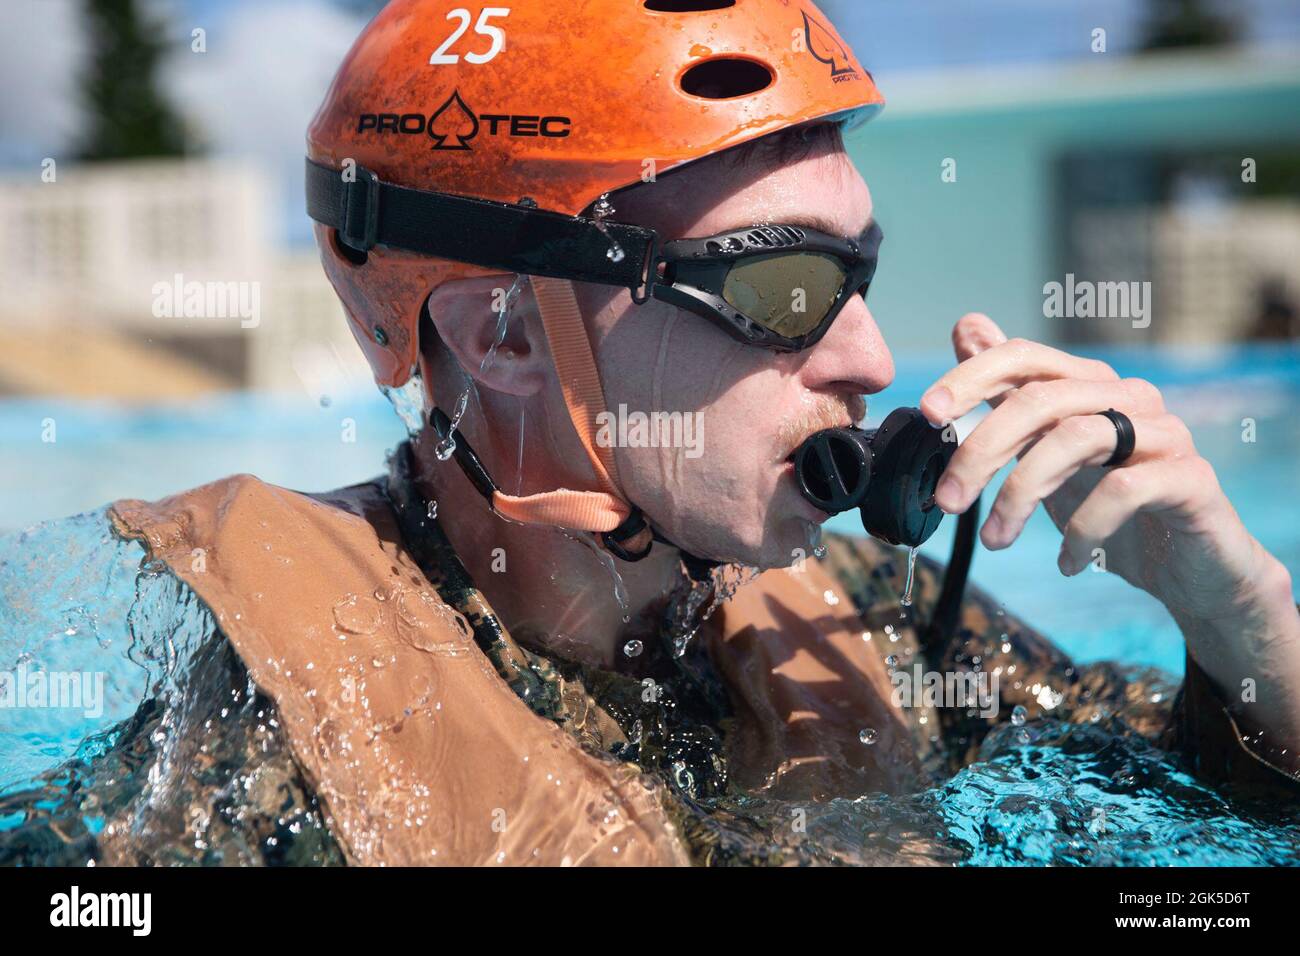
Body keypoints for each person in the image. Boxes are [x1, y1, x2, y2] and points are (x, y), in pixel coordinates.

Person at [2, 0, 1297, 867]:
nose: (863, 355)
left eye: (858, 279)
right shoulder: (265, 732)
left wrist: (1243, 627)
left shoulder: (876, 620)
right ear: (504, 331)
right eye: (784, 290)